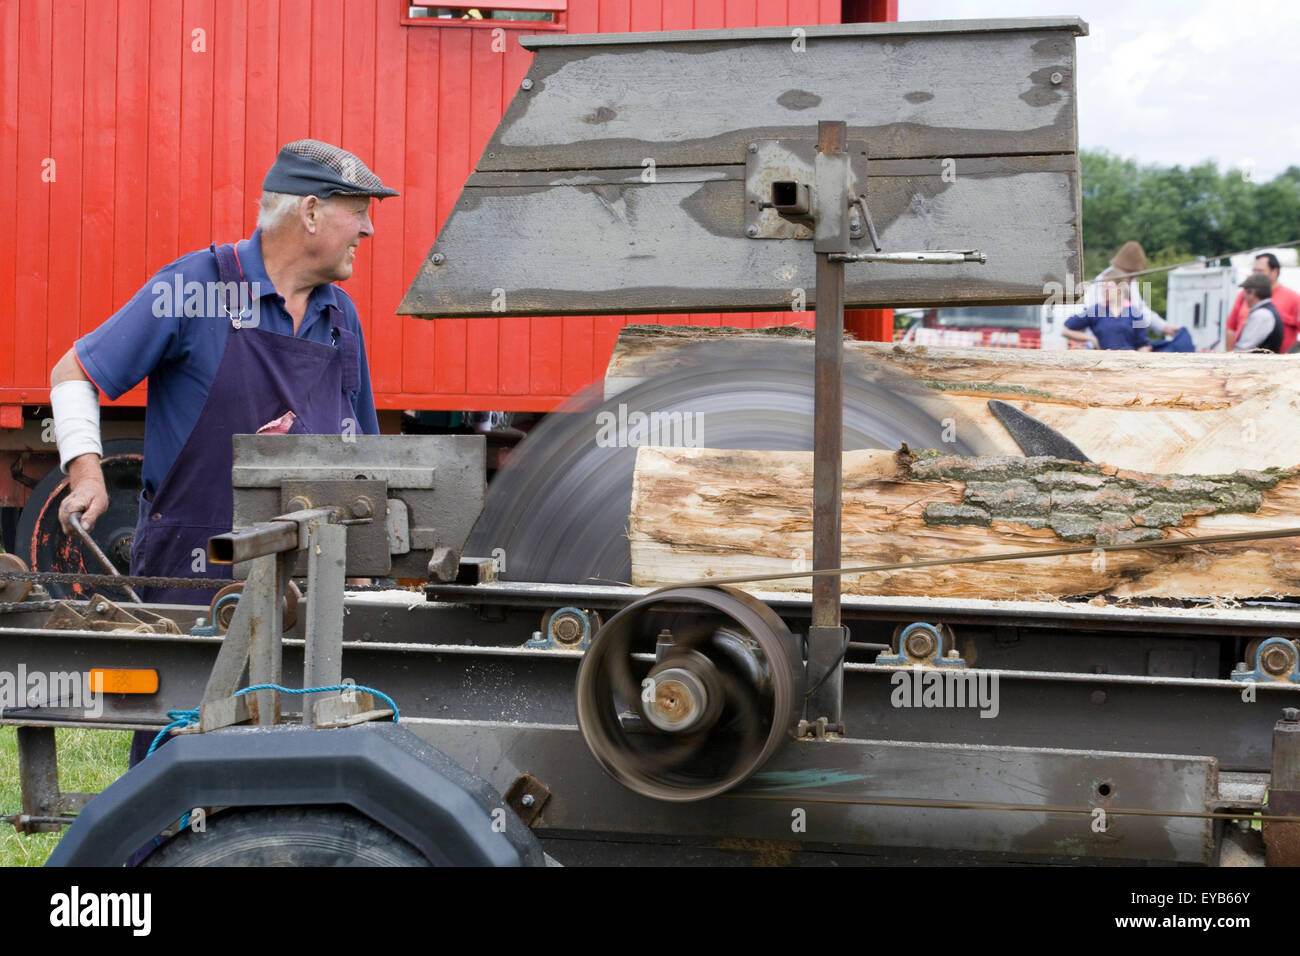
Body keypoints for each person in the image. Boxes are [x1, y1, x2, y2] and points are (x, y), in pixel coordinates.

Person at [47, 140, 394, 768]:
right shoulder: (194, 288)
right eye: (359, 210)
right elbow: (74, 370)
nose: (369, 228)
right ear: (310, 212)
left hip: (303, 588)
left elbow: (362, 450)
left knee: (290, 761)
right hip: (190, 574)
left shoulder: (340, 315)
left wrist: (371, 556)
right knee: (175, 757)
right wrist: (87, 471)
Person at [1226, 252, 1299, 351]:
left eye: (1259, 271)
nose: (1254, 275)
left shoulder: (1294, 299)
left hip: (1277, 362)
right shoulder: (1243, 295)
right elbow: (1231, 328)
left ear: (1275, 271)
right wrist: (1229, 356)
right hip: (1243, 358)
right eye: (1254, 271)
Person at [1061, 277, 1153, 351]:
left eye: (1108, 287)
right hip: (1102, 366)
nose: (1104, 290)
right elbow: (1065, 330)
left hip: (1128, 367)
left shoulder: (1135, 313)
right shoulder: (1095, 311)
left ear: (1120, 289)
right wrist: (1092, 339)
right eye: (1103, 287)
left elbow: (1143, 346)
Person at [1231, 274, 1283, 353]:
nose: (1243, 296)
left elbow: (1242, 349)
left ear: (1253, 293)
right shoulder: (1266, 311)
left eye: (1245, 291)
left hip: (1259, 364)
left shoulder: (1261, 315)